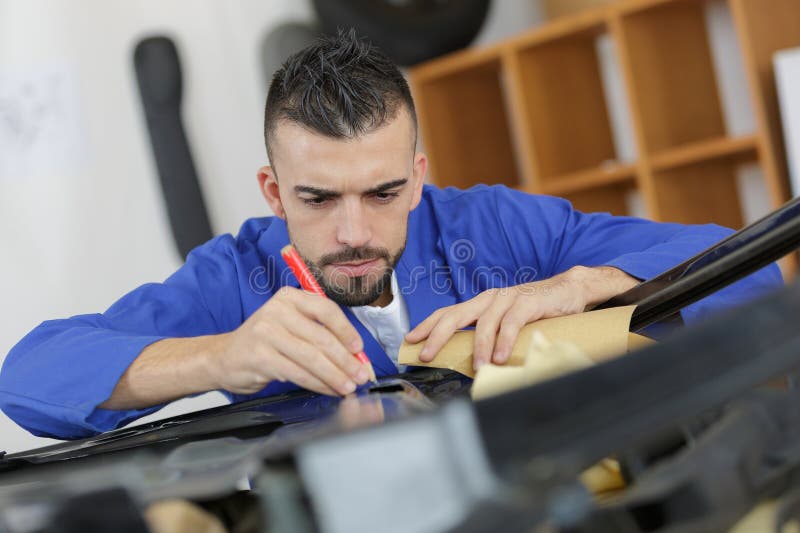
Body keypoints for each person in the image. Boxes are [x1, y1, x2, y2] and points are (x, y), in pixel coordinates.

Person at [0, 30, 782, 440]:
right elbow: (28, 378)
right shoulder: (235, 279)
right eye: (315, 198)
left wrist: (588, 284)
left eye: (383, 193)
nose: (353, 232)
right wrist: (218, 355)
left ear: (417, 173)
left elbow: (746, 270)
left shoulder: (495, 227)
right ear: (273, 191)